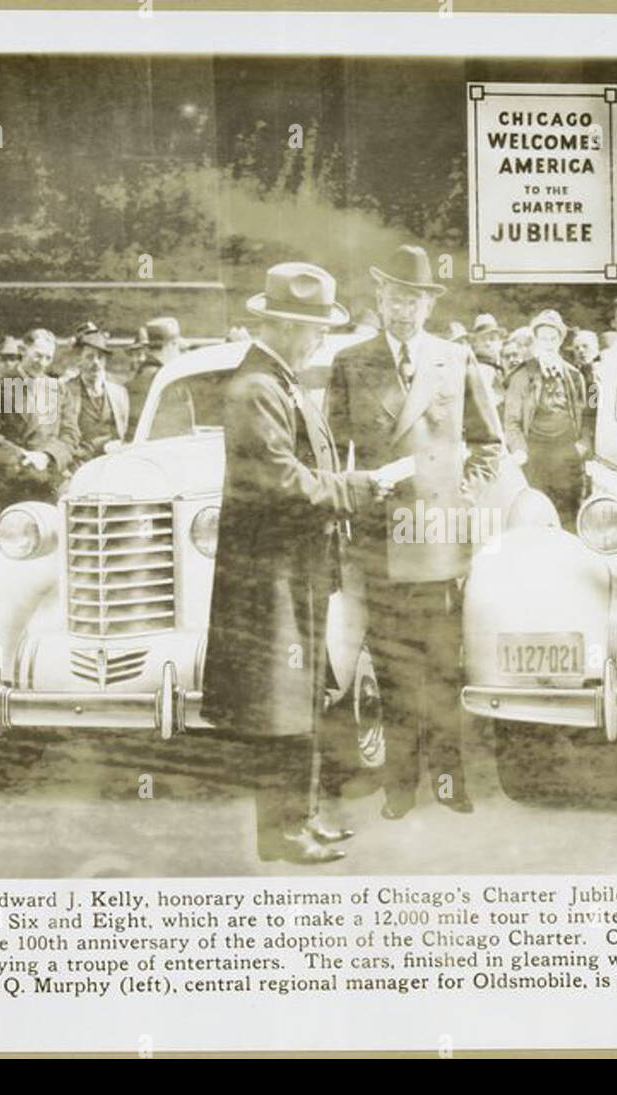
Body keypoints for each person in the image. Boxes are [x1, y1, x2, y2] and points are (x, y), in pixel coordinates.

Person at [200, 262, 390, 864]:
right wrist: (357, 487)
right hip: (272, 572)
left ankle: (299, 818)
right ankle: (281, 831)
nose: (319, 340)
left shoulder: (276, 382)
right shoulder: (257, 388)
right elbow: (284, 483)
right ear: (285, 328)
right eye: (314, 329)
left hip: (296, 566)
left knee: (302, 695)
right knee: (277, 704)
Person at [327, 244, 503, 820]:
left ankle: (450, 780)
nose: (402, 309)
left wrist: (464, 494)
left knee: (444, 668)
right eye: (393, 297)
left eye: (413, 300)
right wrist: (357, 489)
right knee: (396, 670)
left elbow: (489, 444)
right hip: (380, 542)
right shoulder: (351, 363)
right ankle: (400, 785)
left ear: (428, 305)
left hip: (439, 540)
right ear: (378, 299)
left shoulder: (457, 360)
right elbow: (330, 453)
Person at [502, 309, 591, 529]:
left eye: (553, 338)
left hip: (567, 456)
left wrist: (583, 445)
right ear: (535, 341)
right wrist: (519, 450)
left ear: (561, 341)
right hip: (534, 457)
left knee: (570, 515)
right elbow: (511, 421)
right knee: (535, 517)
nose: (548, 344)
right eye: (543, 339)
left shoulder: (574, 375)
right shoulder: (522, 376)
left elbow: (587, 414)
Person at [0, 327, 77, 501]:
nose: (43, 363)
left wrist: (47, 456)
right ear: (23, 351)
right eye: (38, 355)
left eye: (48, 358)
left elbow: (71, 434)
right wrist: (24, 457)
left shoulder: (59, 389)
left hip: (52, 476)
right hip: (14, 479)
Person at [62, 322, 129, 466]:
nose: (96, 363)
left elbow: (125, 433)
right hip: (78, 463)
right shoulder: (66, 391)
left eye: (100, 357)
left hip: (114, 461)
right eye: (90, 357)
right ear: (79, 361)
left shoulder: (119, 393)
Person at [468, 313, 507, 408]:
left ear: (500, 342)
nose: (488, 343)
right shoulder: (479, 369)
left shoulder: (503, 365)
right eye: (483, 339)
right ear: (475, 343)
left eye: (492, 339)